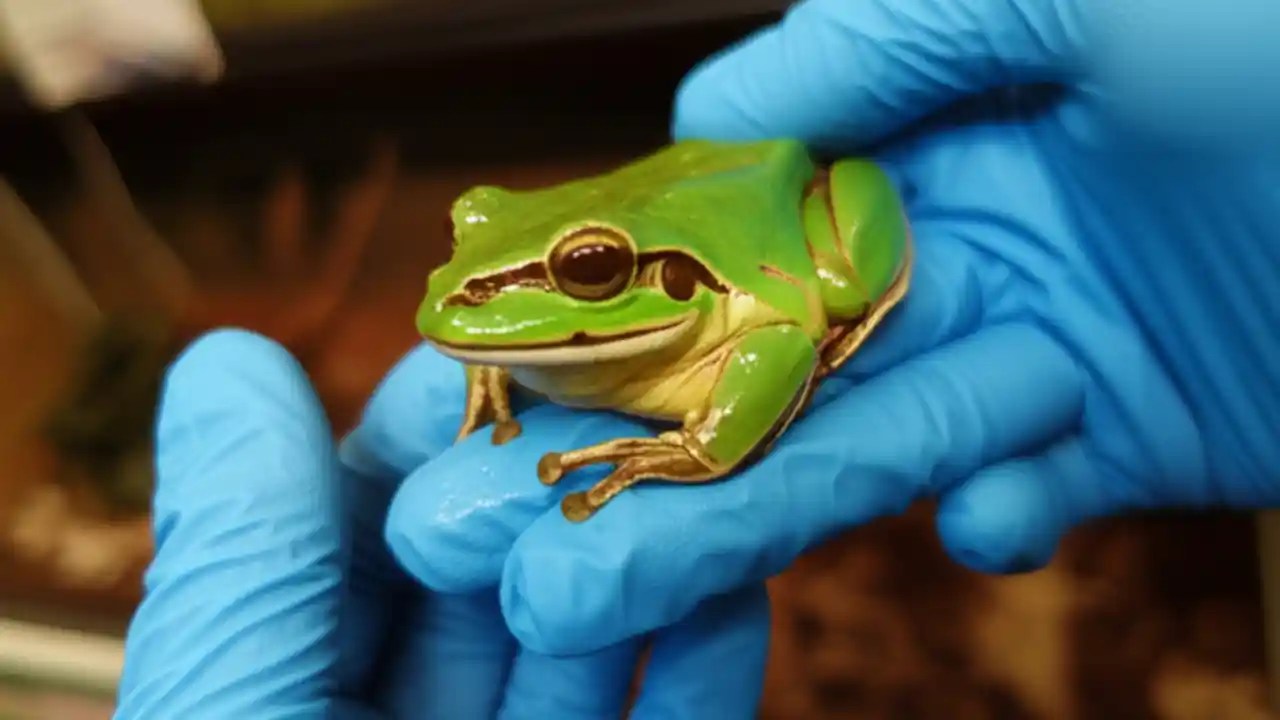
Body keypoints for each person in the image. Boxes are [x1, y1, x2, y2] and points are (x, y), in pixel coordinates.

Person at [114, 0, 1280, 716]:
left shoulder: (711, 300)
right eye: (469, 235)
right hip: (669, 224)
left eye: (580, 271)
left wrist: (693, 443)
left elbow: (778, 333)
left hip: (776, 237)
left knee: (825, 292)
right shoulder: (492, 292)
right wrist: (495, 357)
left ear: (623, 272)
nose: (460, 289)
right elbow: (477, 291)